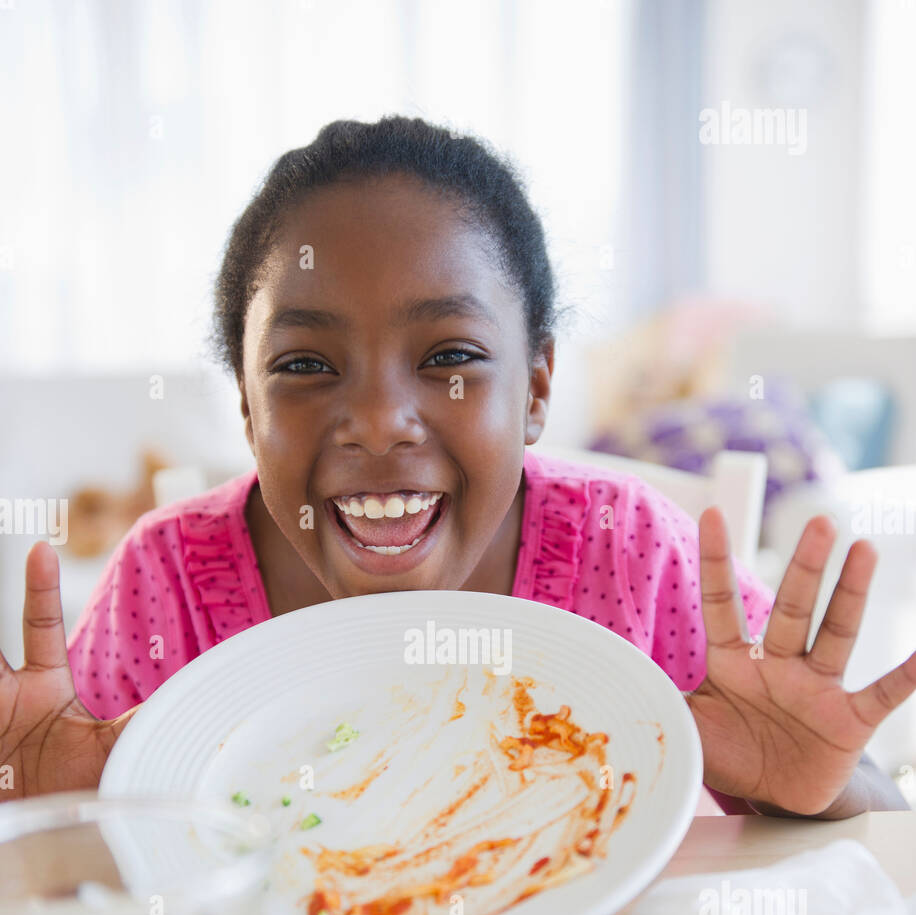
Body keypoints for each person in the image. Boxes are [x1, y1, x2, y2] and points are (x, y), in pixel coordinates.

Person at [1, 116, 912, 816]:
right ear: (246, 406)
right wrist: (38, 803)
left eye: (449, 358)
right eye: (305, 367)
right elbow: (88, 871)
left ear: (537, 388)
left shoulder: (630, 558)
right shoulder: (169, 584)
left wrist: (816, 789)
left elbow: (862, 822)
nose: (378, 421)